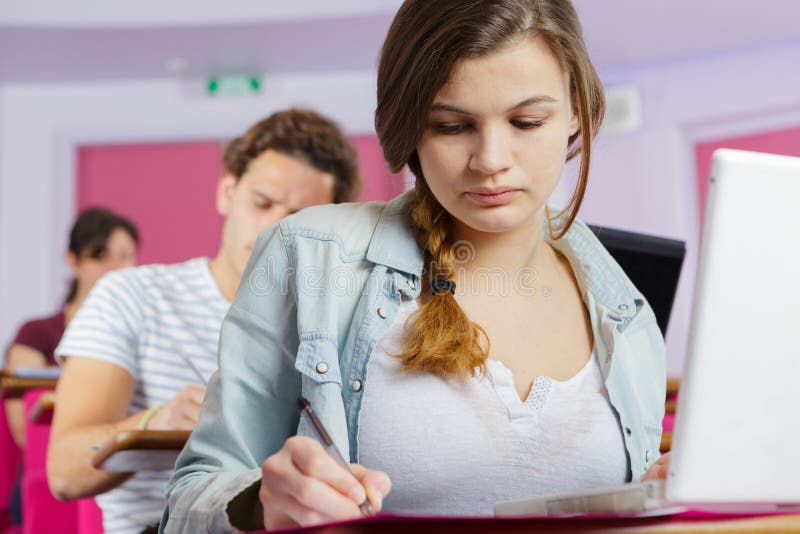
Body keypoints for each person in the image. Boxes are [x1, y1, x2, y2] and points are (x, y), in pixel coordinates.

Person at [162, 2, 668, 532]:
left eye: (527, 121)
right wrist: (259, 507)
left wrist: (664, 494)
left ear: (576, 112)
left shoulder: (623, 307)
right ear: (409, 128)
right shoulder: (309, 254)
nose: (491, 159)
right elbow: (189, 499)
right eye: (451, 126)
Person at [46, 108, 361, 534]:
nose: (273, 230)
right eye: (262, 204)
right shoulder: (132, 297)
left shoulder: (335, 328)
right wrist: (152, 426)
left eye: (297, 219)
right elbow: (64, 472)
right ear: (227, 191)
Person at [2, 207, 138, 526]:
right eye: (101, 256)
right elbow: (24, 429)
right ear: (73, 260)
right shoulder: (35, 334)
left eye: (127, 256)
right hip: (51, 477)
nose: (117, 267)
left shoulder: (143, 338)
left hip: (125, 476)